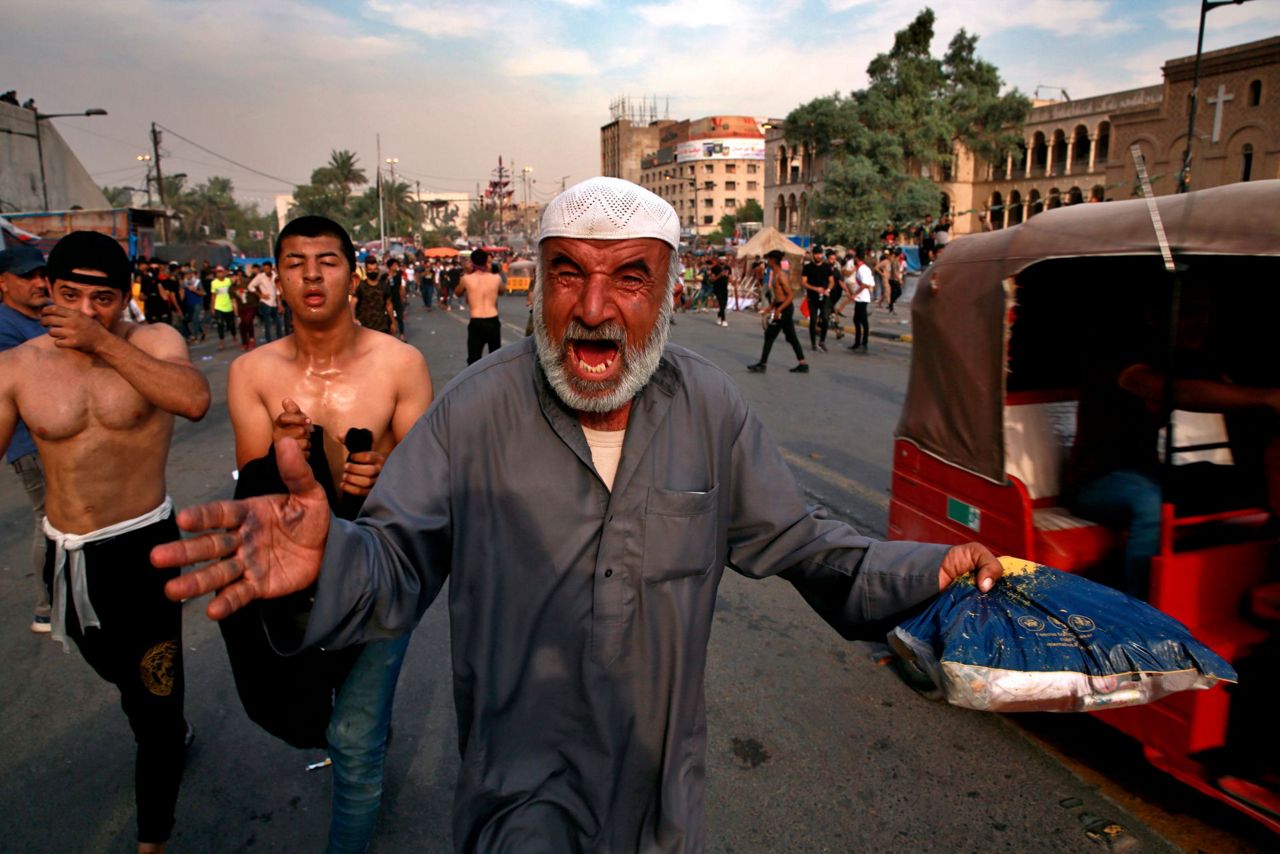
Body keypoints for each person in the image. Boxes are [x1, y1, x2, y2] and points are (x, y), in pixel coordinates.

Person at [153, 177, 1003, 852]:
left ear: (669, 292)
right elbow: (395, 560)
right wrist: (325, 558)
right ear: (536, 288)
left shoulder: (708, 406)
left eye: (630, 277)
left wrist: (926, 570)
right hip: (518, 788)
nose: (595, 308)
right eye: (570, 274)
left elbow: (808, 542)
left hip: (660, 791)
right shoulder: (475, 411)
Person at [224, 216, 432, 853]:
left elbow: (430, 487)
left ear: (352, 273)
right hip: (298, 579)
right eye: (294, 262)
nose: (312, 274)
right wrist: (283, 456)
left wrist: (385, 475)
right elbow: (257, 496)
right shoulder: (252, 373)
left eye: (327, 260)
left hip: (379, 570)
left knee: (355, 740)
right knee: (309, 710)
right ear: (276, 280)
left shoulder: (400, 364)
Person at [0, 231, 211, 853]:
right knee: (116, 673)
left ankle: (154, 838)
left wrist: (103, 346)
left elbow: (194, 399)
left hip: (142, 547)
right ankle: (156, 714)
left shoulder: (153, 343)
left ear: (124, 298)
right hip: (68, 555)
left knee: (155, 708)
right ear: (48, 292)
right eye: (70, 296)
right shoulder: (18, 365)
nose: (87, 312)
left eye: (103, 299)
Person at [0, 243, 53, 633]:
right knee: (49, 519)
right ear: (3, 283)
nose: (39, 283)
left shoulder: (43, 319)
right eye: (27, 277)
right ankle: (46, 606)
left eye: (41, 274)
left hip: (55, 438)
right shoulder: (5, 327)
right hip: (30, 442)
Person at [747, 249, 808, 374]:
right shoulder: (774, 275)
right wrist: (769, 308)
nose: (767, 261)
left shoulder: (781, 276)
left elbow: (790, 296)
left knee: (769, 334)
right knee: (791, 337)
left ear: (773, 261)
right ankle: (803, 363)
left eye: (768, 259)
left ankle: (762, 364)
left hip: (785, 309)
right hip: (781, 306)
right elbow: (779, 297)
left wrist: (779, 310)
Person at [455, 247, 503, 364]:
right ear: (487, 261)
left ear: (472, 262)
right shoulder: (496, 278)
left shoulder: (466, 279)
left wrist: (467, 273)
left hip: (476, 321)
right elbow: (501, 291)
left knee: (474, 358)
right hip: (492, 320)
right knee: (496, 357)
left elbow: (458, 293)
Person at [800, 248, 833, 352]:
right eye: (816, 254)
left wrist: (828, 289)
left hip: (824, 296)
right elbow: (804, 282)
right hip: (812, 297)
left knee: (825, 318)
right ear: (813, 255)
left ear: (822, 255)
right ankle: (813, 343)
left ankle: (822, 341)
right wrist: (815, 288)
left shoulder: (827, 267)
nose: (818, 256)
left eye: (819, 254)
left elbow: (831, 281)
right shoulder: (808, 267)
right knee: (813, 320)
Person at [353, 255, 396, 336]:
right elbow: (353, 302)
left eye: (375, 269)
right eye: (370, 270)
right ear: (366, 270)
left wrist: (393, 321)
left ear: (378, 270)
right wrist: (353, 318)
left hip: (382, 326)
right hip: (364, 327)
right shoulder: (361, 286)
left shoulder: (384, 286)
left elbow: (389, 304)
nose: (373, 272)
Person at [248, 260, 283, 342]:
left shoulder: (275, 276)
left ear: (271, 268)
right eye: (264, 269)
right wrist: (260, 295)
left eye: (267, 268)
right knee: (267, 324)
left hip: (274, 303)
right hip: (265, 303)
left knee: (278, 323)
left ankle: (280, 340)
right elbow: (250, 286)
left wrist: (279, 304)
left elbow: (277, 291)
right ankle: (269, 341)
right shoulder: (260, 276)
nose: (266, 270)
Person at [847, 249, 874, 353]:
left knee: (863, 321)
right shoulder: (864, 268)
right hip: (861, 297)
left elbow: (865, 284)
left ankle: (864, 343)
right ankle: (857, 342)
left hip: (862, 297)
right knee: (856, 320)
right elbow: (871, 283)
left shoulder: (862, 269)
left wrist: (855, 293)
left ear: (857, 258)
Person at [209, 264, 235, 351]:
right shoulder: (214, 283)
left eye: (221, 272)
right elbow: (213, 296)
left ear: (224, 273)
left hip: (228, 306)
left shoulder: (228, 281)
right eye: (218, 272)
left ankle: (234, 335)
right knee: (220, 324)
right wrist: (212, 307)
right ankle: (222, 342)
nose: (220, 274)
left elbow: (233, 290)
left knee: (231, 323)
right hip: (218, 306)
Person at [386, 257, 407, 341]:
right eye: (394, 265)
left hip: (397, 299)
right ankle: (390, 334)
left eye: (397, 265)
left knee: (400, 317)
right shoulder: (385, 276)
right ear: (390, 266)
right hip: (388, 300)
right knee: (388, 318)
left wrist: (403, 299)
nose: (396, 266)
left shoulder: (398, 276)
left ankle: (402, 334)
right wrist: (388, 279)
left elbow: (400, 288)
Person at [710, 256, 731, 327]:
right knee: (721, 303)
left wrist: (733, 281)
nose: (723, 261)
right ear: (719, 260)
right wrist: (720, 275)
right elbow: (712, 279)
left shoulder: (728, 268)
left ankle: (719, 314)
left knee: (725, 303)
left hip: (724, 287)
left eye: (724, 259)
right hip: (717, 287)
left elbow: (729, 277)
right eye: (721, 259)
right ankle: (723, 319)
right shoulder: (714, 268)